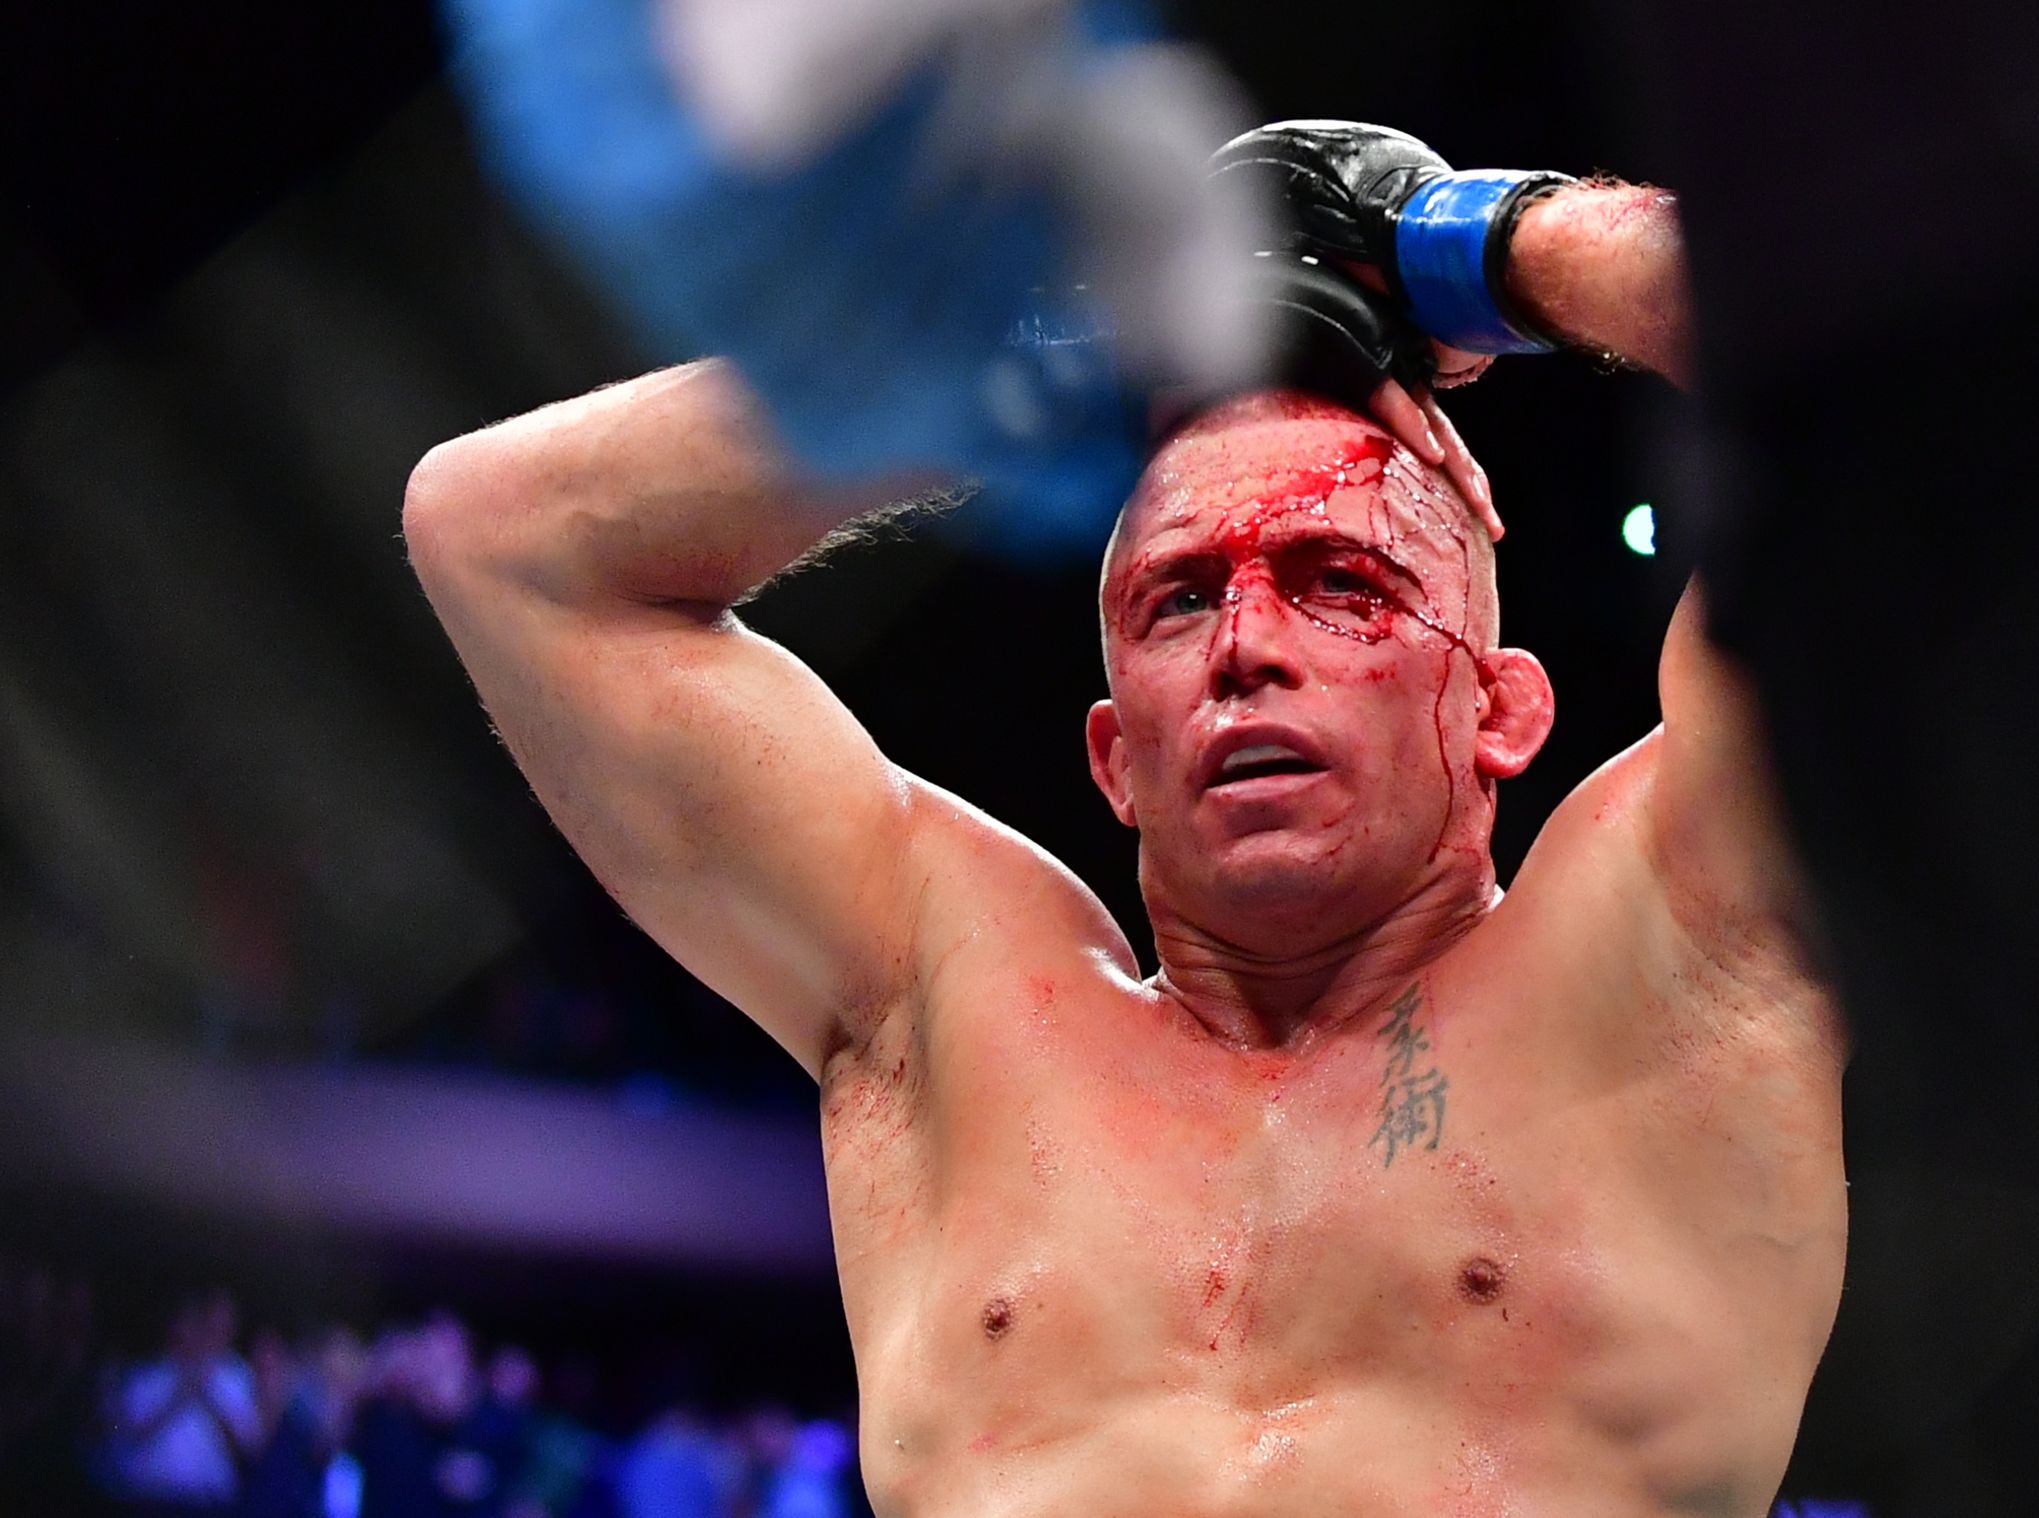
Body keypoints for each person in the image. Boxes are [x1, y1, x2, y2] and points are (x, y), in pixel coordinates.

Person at [405, 133, 1846, 1512]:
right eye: (1181, 599)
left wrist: (1477, 244)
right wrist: (1057, 352)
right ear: (1113, 758)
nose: (1246, 646)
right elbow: (508, 535)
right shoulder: (949, 1009)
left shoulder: (1674, 946)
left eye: (1338, 581)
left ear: (1501, 711)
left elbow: (1890, 340)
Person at [110, 1290, 260, 1518]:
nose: (187, 1332)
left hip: (208, 1505)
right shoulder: (145, 1375)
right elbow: (127, 1436)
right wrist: (179, 1397)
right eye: (182, 1323)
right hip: (151, 1502)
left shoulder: (233, 1375)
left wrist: (208, 1397)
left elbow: (248, 1448)